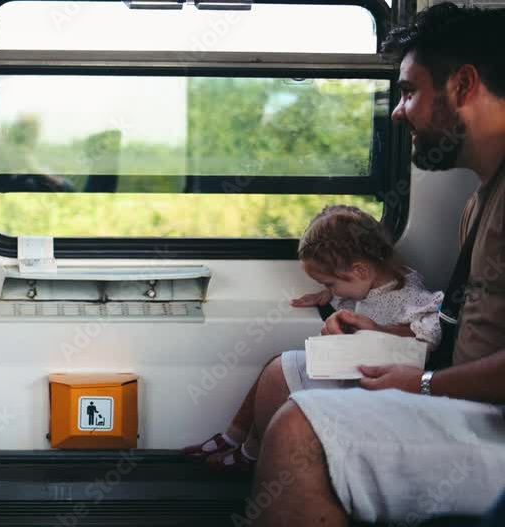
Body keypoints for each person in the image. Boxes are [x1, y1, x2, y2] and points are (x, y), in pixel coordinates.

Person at [250, 5, 505, 525]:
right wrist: (386, 339)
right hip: (464, 396)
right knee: (289, 375)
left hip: (491, 421)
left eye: (409, 92)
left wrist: (425, 384)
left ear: (462, 85)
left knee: (299, 431)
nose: (397, 112)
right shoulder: (480, 201)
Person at [182, 205, 442, 472]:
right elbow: (357, 294)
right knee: (275, 364)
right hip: (355, 366)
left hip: (374, 384)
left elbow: (428, 336)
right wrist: (328, 295)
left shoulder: (408, 294)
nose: (331, 291)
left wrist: (377, 329)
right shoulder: (370, 282)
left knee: (279, 371)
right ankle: (232, 437)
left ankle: (250, 455)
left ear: (360, 271)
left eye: (330, 284)